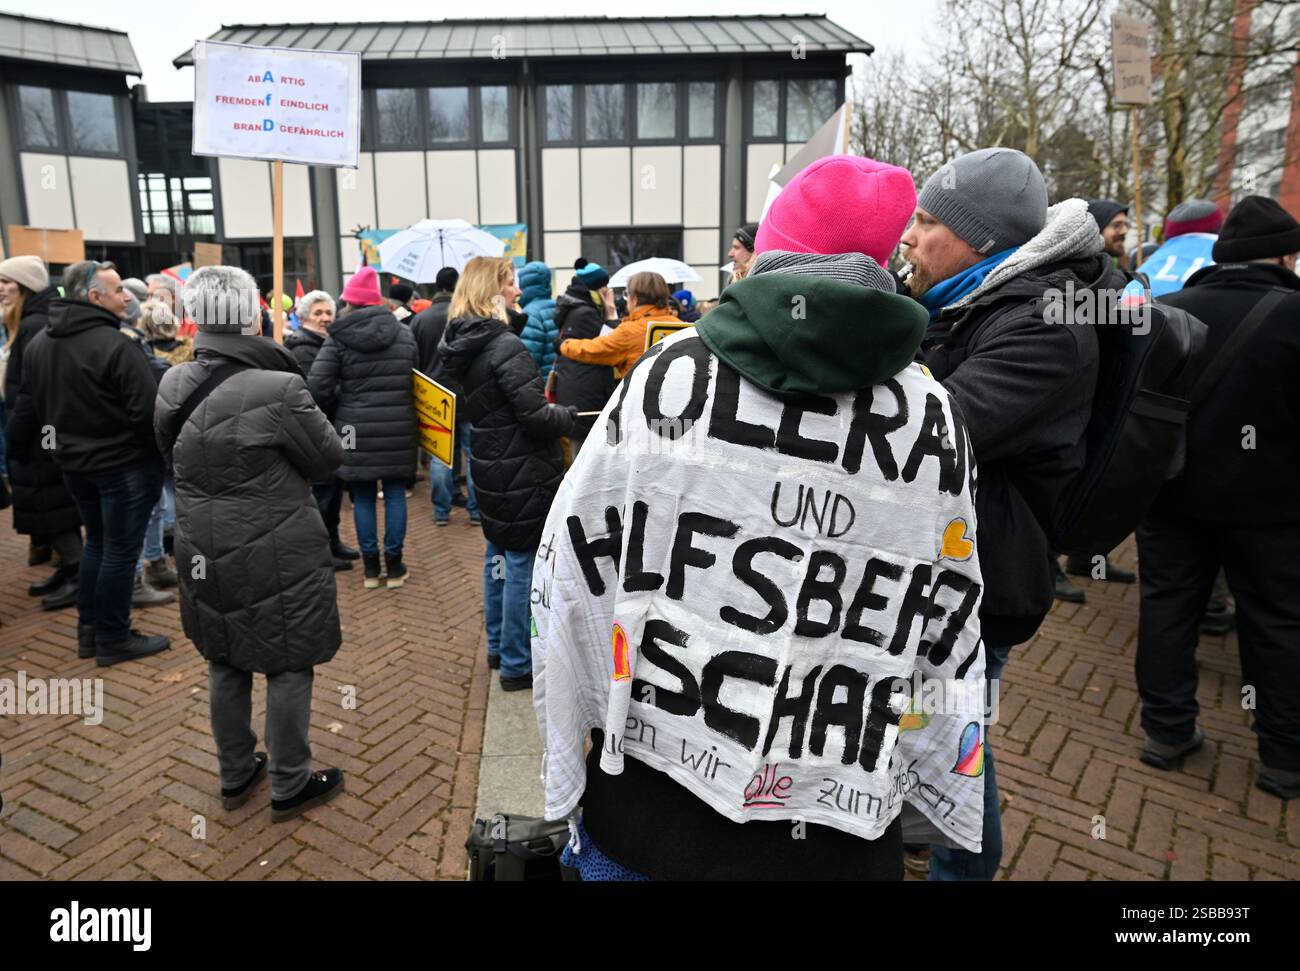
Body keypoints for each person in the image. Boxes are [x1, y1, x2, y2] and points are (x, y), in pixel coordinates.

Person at [531, 155, 985, 880]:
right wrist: (935, 786)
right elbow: (945, 620)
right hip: (838, 828)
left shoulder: (668, 378)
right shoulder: (933, 415)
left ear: (768, 256)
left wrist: (568, 751)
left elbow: (575, 570)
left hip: (655, 815)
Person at [901, 148, 1124, 880]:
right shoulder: (980, 301)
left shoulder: (1041, 324)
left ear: (983, 241)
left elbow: (940, 430)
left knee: (956, 749)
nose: (909, 234)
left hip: (985, 577)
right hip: (955, 566)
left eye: (928, 221)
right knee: (939, 733)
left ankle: (964, 868)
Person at [156, 265, 346, 821]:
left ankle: (236, 771)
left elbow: (168, 454)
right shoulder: (280, 386)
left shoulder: (172, 382)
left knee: (225, 658)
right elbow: (329, 459)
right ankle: (290, 782)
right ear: (251, 314)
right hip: (276, 546)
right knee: (288, 663)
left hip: (201, 545)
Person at [1136, 195, 1300, 798]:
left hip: (1173, 498)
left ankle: (1167, 730)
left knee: (1167, 611)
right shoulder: (1294, 316)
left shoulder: (1169, 309)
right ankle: (1282, 758)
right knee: (1278, 623)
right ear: (1282, 257)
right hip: (1274, 510)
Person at [8, 260, 170, 666]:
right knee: (117, 550)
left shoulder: (41, 343)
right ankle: (113, 636)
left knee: (98, 543)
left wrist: (31, 454)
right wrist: (161, 458)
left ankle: (91, 630)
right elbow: (148, 413)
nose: (126, 296)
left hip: (76, 467)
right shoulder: (116, 345)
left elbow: (26, 410)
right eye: (117, 290)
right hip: (123, 467)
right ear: (95, 297)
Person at [432, 256, 575, 691]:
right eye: (510, 284)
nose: (517, 291)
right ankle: (516, 663)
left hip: (490, 464)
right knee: (521, 566)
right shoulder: (504, 345)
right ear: (492, 291)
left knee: (497, 557)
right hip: (522, 468)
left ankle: (497, 647)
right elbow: (534, 416)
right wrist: (566, 415)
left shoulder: (463, 344)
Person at [308, 266, 417, 589]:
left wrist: (346, 400)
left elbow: (317, 388)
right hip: (399, 426)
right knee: (396, 494)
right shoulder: (404, 333)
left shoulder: (338, 338)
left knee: (363, 495)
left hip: (354, 429)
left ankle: (371, 569)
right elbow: (416, 380)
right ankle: (394, 567)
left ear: (350, 304)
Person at [0, 256, 83, 611]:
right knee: (49, 505)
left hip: (39, 434)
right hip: (36, 431)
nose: (1, 289)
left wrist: (21, 435)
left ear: (26, 285)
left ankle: (77, 572)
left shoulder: (34, 324)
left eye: (7, 282)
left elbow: (33, 389)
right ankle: (68, 569)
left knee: (53, 505)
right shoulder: (29, 321)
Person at [286, 290, 360, 570]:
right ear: (305, 317)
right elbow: (315, 391)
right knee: (323, 494)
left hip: (329, 427)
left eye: (328, 312)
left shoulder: (324, 343)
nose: (325, 318)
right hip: (315, 430)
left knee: (332, 490)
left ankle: (333, 541)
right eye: (318, 313)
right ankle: (320, 551)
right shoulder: (303, 347)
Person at [411, 267, 479, 525]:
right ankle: (474, 511)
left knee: (440, 457)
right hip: (466, 393)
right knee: (473, 455)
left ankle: (441, 511)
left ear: (436, 286)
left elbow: (413, 359)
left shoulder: (420, 319)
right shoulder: (467, 317)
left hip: (433, 396)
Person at [551, 259, 616, 459]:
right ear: (596, 289)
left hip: (577, 389)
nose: (608, 290)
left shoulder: (574, 307)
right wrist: (611, 312)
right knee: (586, 457)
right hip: (586, 394)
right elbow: (609, 347)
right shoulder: (585, 313)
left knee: (580, 452)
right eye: (605, 286)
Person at [558, 271, 677, 380]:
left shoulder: (629, 331)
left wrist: (564, 345)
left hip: (639, 398)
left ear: (634, 299)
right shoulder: (681, 326)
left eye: (627, 294)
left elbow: (593, 350)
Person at [517, 261, 559, 382]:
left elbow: (528, 362)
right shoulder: (558, 307)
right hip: (560, 385)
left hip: (542, 387)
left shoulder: (530, 314)